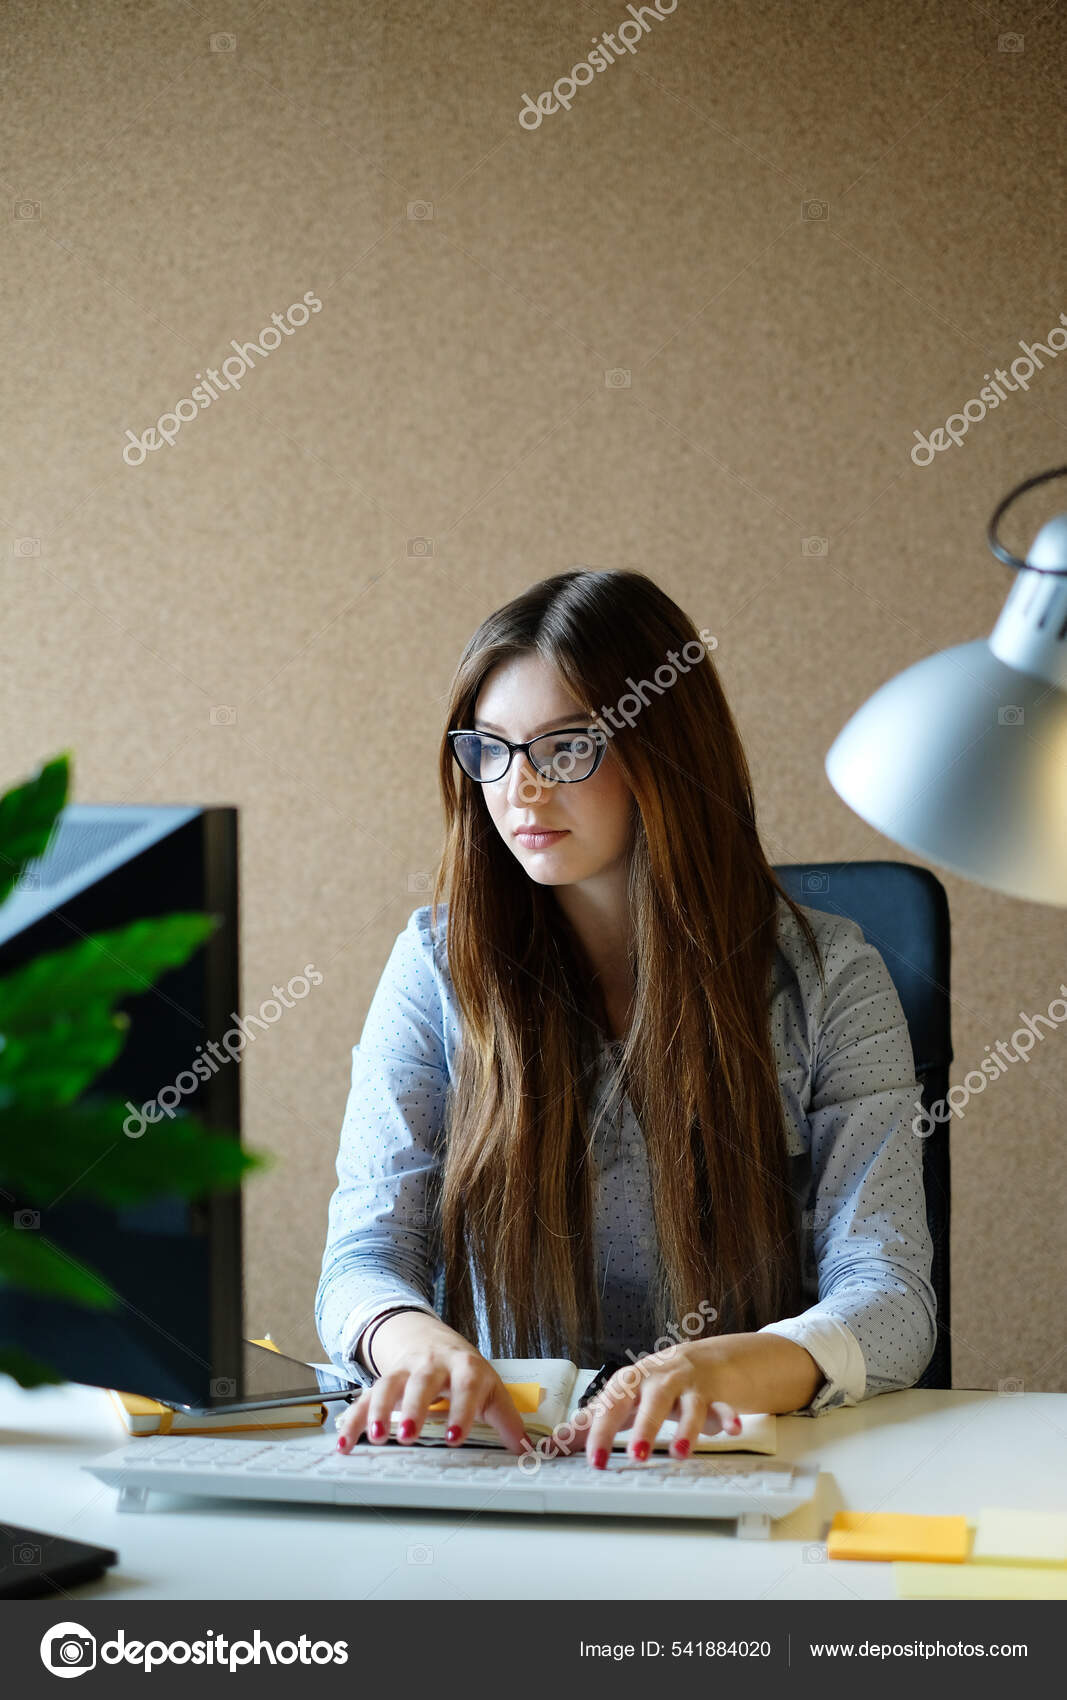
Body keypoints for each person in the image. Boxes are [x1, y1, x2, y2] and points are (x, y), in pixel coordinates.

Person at [316, 568, 936, 1470]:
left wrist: (739, 1366)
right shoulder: (436, 965)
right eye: (490, 749)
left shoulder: (830, 978)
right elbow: (365, 1256)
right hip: (492, 1464)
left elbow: (890, 1291)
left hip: (729, 1462)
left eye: (568, 747)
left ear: (668, 752)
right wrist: (409, 1343)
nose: (520, 789)